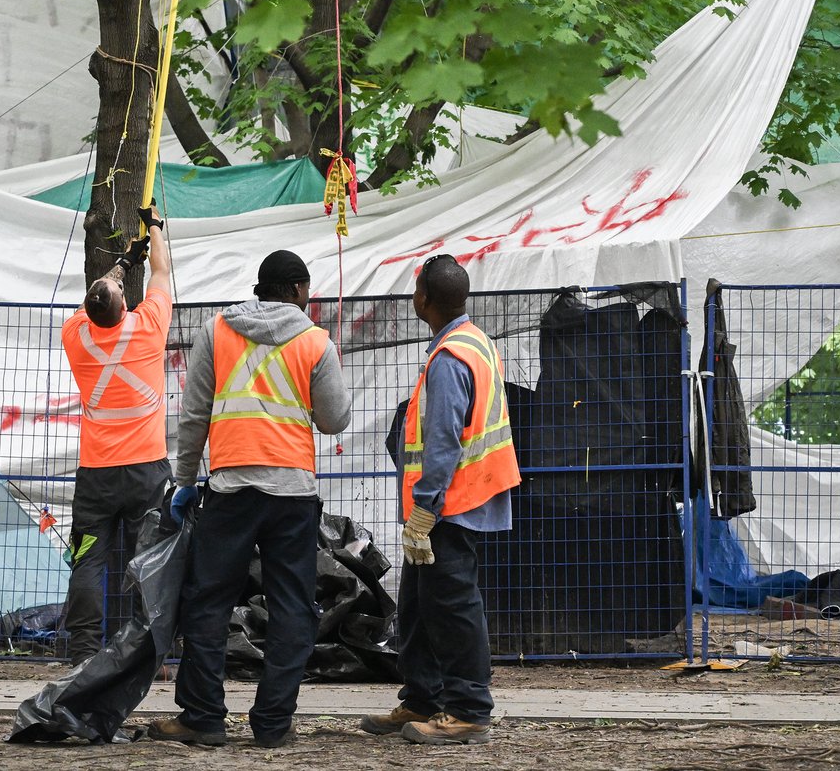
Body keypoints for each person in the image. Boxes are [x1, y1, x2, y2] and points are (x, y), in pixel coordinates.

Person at [149, 249, 351, 749]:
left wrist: (185, 480)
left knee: (208, 602)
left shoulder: (217, 332)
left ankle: (203, 718)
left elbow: (194, 415)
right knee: (291, 608)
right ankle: (273, 723)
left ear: (260, 287)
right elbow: (335, 420)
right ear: (299, 290)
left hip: (230, 489)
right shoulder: (314, 342)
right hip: (291, 495)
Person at [361, 254, 520, 745]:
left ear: (424, 298)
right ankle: (421, 699)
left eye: (415, 290)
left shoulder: (451, 357)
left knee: (451, 606)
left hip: (449, 505)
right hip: (457, 500)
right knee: (418, 604)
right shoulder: (474, 343)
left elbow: (445, 440)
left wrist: (425, 510)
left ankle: (469, 710)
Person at [60, 207, 172, 666]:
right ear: (126, 305)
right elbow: (163, 270)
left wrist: (123, 264)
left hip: (97, 474)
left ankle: (84, 652)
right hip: (147, 469)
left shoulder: (74, 336)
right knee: (150, 560)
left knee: (88, 558)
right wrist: (156, 229)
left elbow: (97, 297)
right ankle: (148, 654)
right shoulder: (148, 329)